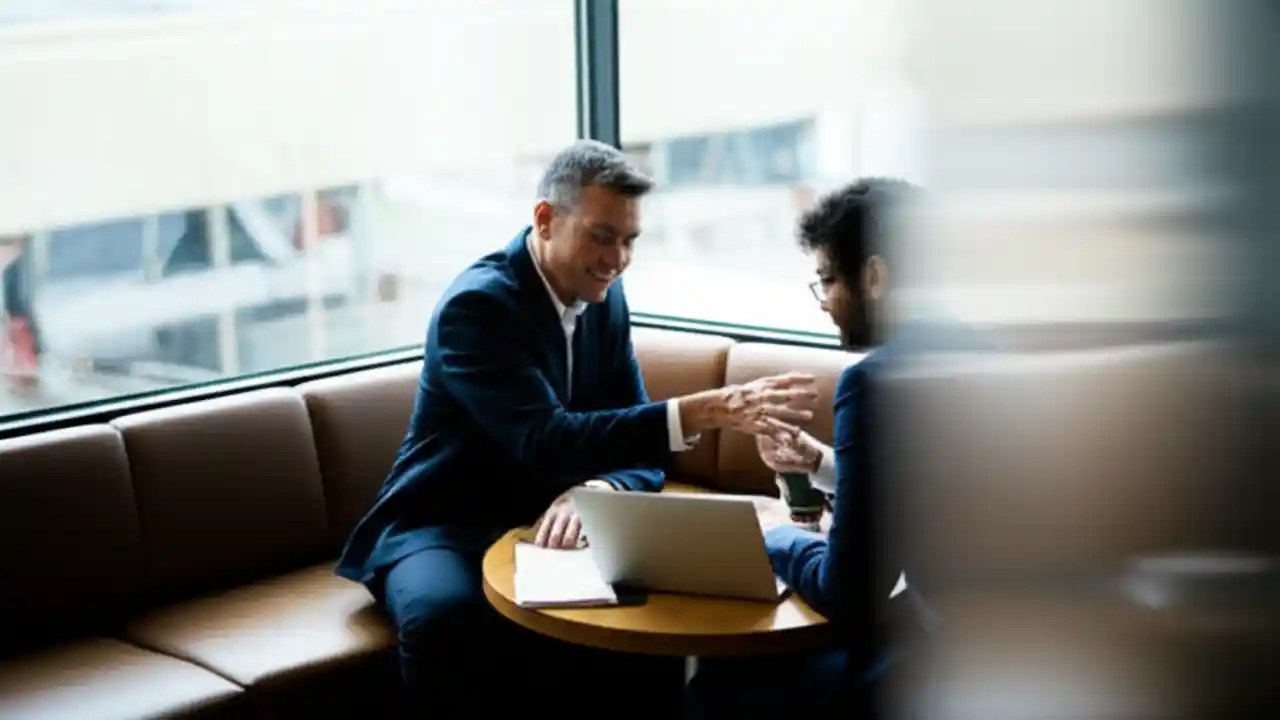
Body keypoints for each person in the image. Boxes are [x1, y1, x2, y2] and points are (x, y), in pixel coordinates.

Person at [334, 139, 819, 716]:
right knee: (447, 618)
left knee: (647, 613)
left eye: (629, 239)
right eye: (601, 235)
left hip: (554, 518)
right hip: (443, 521)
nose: (617, 259)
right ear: (545, 219)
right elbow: (547, 440)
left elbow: (642, 450)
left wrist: (601, 488)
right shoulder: (479, 307)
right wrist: (700, 411)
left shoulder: (605, 300)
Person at [687, 177, 975, 717]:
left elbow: (850, 596)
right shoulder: (984, 348)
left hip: (938, 665)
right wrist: (819, 463)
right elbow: (930, 490)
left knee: (717, 687)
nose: (824, 304)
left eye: (826, 280)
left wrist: (775, 539)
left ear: (874, 276)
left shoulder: (874, 383)